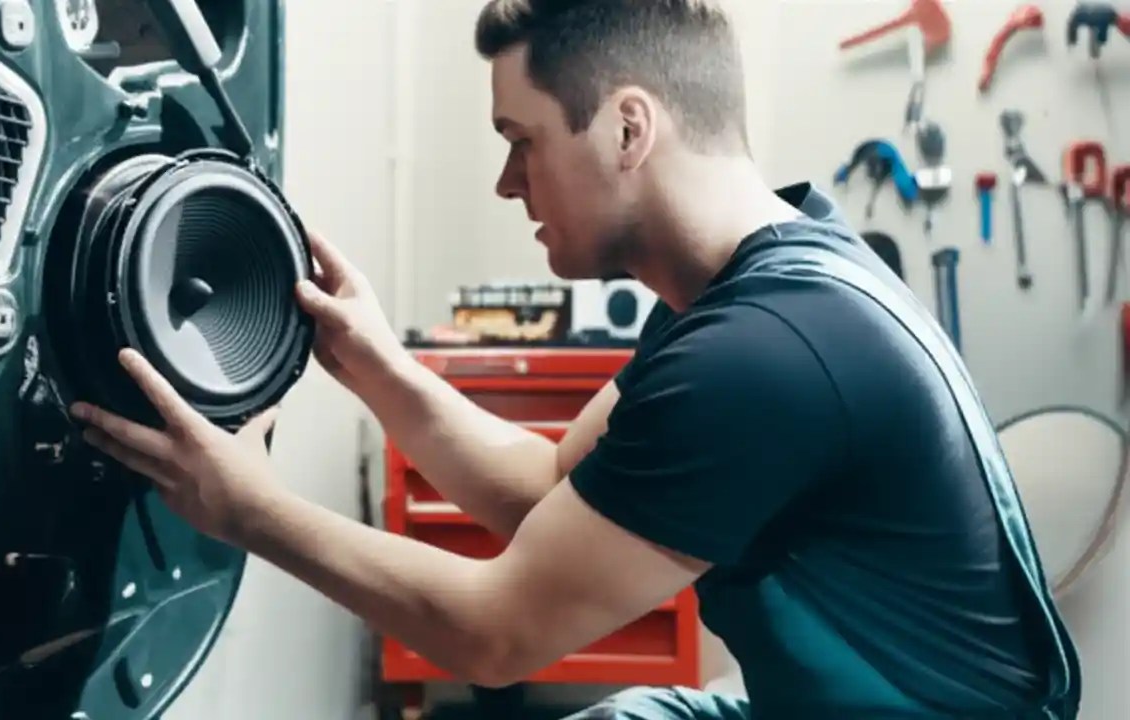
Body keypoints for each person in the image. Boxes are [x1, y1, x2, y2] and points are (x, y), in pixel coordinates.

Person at [69, 1, 1081, 717]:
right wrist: (376, 362)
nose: (509, 182)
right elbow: (543, 486)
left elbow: (494, 635)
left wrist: (243, 509)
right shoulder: (753, 281)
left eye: (521, 139)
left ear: (627, 127)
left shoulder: (764, 354)